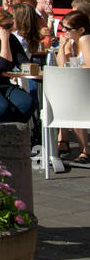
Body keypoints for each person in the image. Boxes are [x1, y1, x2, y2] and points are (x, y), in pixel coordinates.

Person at [55, 10, 90, 163]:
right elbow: (62, 66)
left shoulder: (84, 40)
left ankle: (84, 149)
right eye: (63, 28)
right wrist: (62, 47)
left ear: (81, 30)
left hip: (85, 86)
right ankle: (83, 148)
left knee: (70, 105)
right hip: (80, 86)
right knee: (66, 102)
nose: (64, 31)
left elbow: (89, 66)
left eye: (68, 29)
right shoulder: (72, 42)